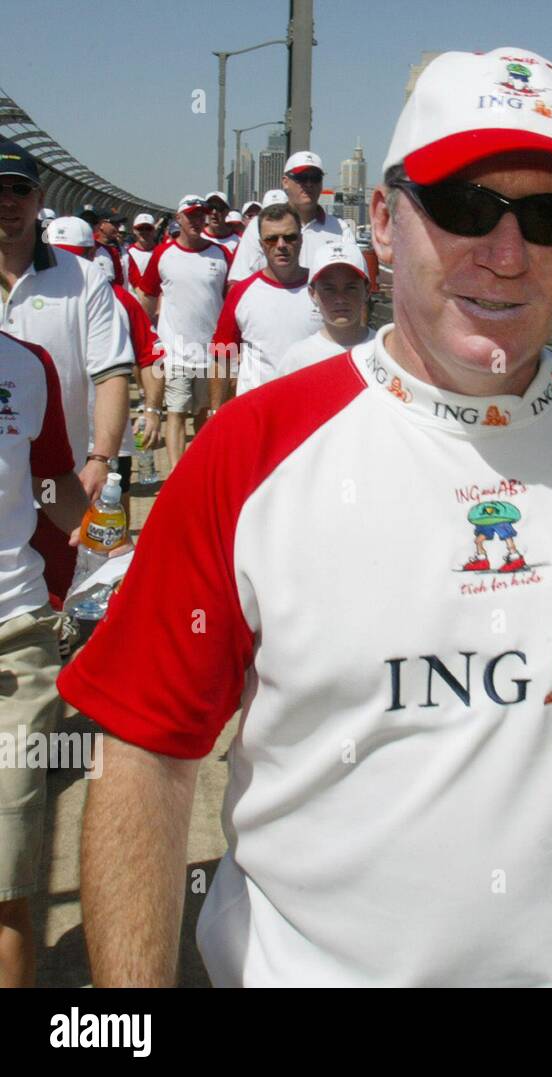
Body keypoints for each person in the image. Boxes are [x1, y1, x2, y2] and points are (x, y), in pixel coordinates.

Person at [62, 45, 552, 989]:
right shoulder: (253, 452)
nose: (506, 254)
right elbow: (146, 762)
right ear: (382, 219)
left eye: (550, 216)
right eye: (463, 205)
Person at [0, 140, 133, 608]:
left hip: (61, 492)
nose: (7, 201)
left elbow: (112, 372)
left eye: (20, 189)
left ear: (40, 201)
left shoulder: (84, 278)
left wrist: (101, 458)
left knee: (64, 625)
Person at [0, 330, 89, 987]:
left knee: (3, 885)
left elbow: (53, 484)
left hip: (15, 638)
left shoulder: (26, 367)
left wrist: (105, 543)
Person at [47, 216, 166, 523]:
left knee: (112, 519)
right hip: (50, 439)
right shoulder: (32, 294)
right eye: (57, 252)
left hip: (108, 439)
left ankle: (113, 569)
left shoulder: (119, 300)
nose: (65, 261)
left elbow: (149, 357)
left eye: (74, 254)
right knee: (50, 515)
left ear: (92, 254)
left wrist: (152, 409)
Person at [137, 195, 231, 470]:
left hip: (211, 354)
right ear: (179, 218)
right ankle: (178, 471)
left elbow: (230, 298)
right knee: (176, 413)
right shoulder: (163, 254)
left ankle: (198, 468)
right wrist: (148, 334)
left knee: (204, 416)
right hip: (175, 350)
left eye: (200, 214)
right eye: (190, 215)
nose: (196, 220)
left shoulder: (221, 254)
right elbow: (148, 295)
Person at [208, 202, 322, 404]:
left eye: (289, 237)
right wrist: (216, 411)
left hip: (310, 408)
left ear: (301, 240)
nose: (281, 245)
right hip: (256, 410)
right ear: (261, 245)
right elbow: (222, 355)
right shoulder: (241, 292)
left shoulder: (323, 290)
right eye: (271, 239)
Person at [226, 152, 347, 284]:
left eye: (315, 178)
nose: (309, 184)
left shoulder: (340, 228)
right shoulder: (259, 225)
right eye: (302, 178)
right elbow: (238, 281)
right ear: (285, 182)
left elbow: (356, 284)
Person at [279, 241, 375, 376]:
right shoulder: (297, 359)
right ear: (312, 294)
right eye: (329, 289)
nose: (340, 299)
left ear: (367, 290)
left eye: (350, 288)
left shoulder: (385, 351)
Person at [124, 212, 158, 293]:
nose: (144, 232)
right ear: (134, 230)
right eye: (140, 228)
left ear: (154, 231)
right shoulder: (127, 253)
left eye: (148, 228)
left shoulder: (161, 253)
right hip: (133, 301)